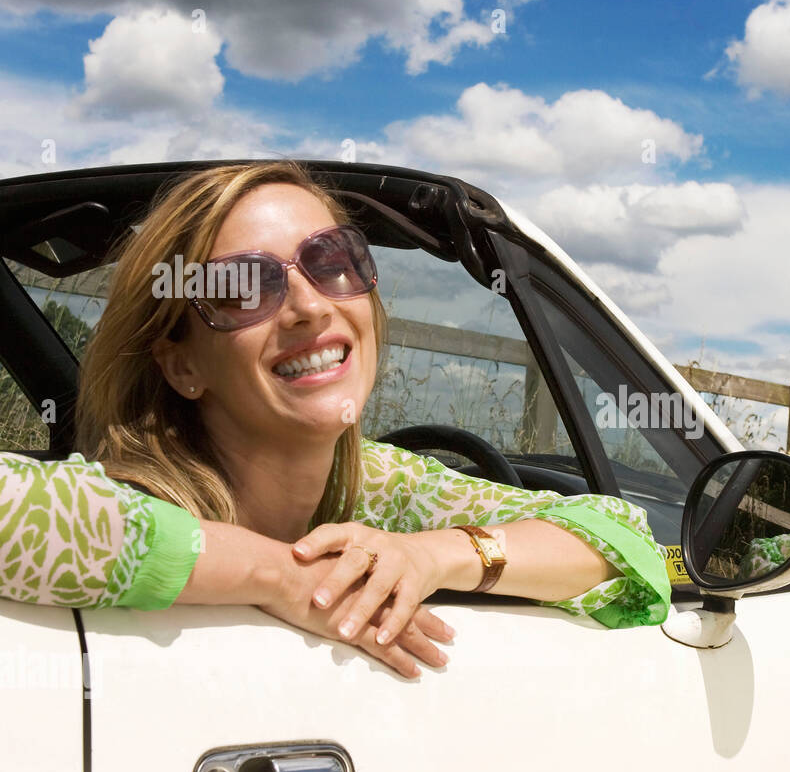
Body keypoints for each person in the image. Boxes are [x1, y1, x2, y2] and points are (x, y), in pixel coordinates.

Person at [0, 161, 672, 677]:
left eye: (332, 261)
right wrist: (279, 575)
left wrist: (431, 555)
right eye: (243, 286)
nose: (311, 306)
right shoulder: (121, 501)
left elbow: (627, 541)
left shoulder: (376, 485)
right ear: (182, 365)